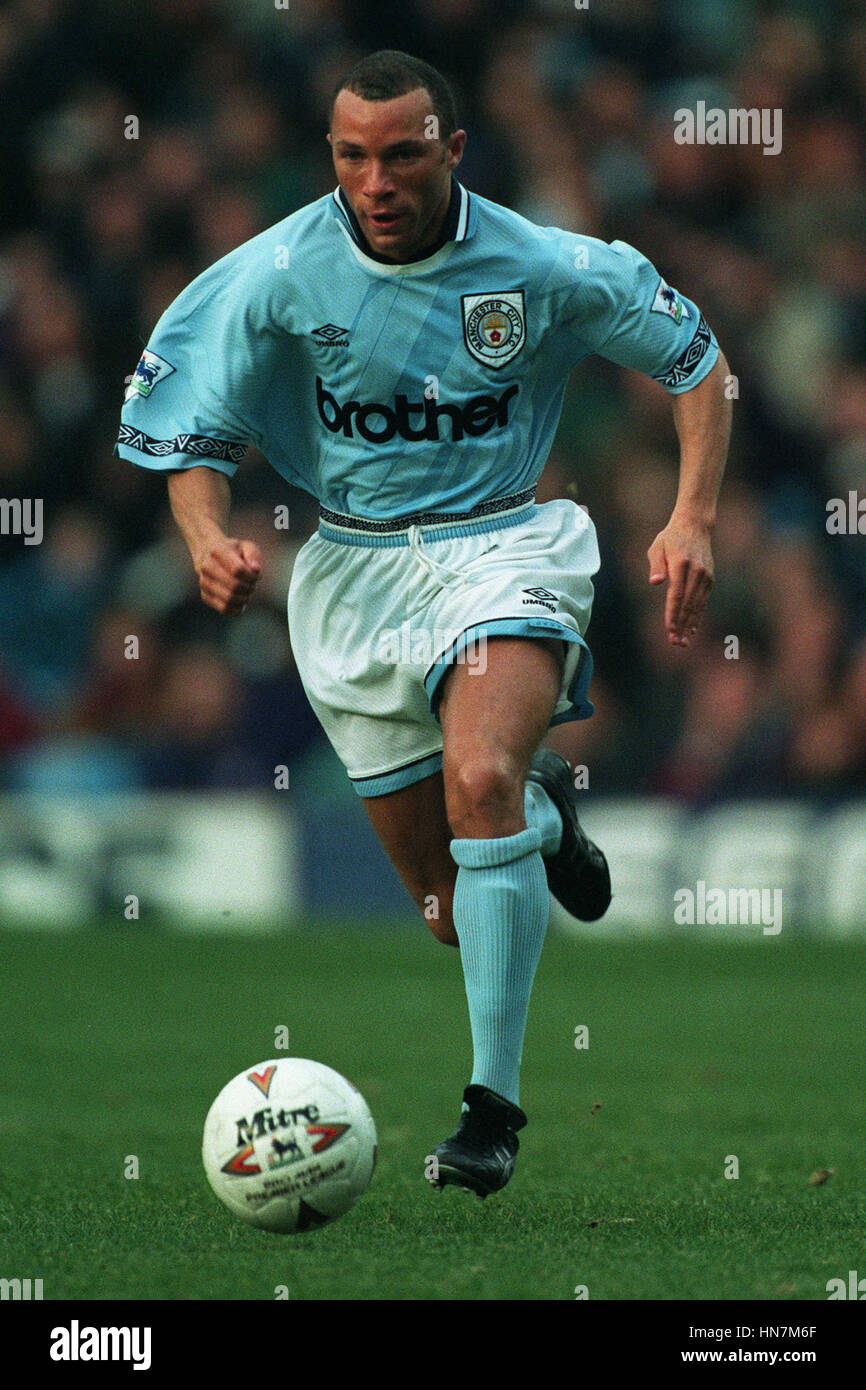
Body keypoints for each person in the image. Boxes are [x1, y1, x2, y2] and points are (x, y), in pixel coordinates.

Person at [115, 50, 731, 1198]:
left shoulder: (540, 262)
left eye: (401, 154)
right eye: (351, 156)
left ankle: (490, 1109)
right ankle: (543, 819)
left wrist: (691, 515)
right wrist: (206, 541)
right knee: (453, 913)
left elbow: (696, 361)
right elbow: (189, 438)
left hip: (504, 542)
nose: (375, 180)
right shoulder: (275, 274)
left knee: (480, 774)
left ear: (450, 152)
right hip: (349, 579)